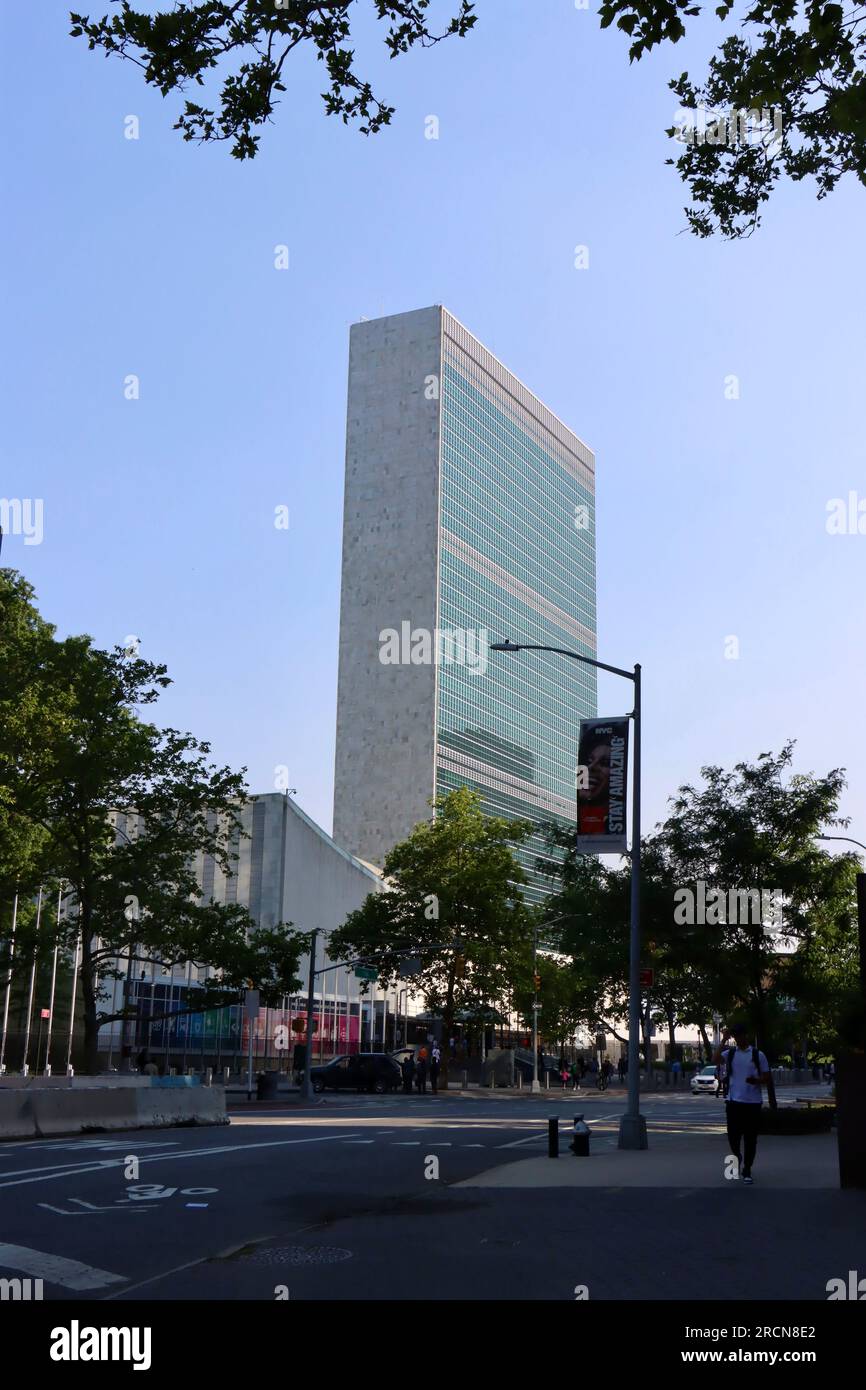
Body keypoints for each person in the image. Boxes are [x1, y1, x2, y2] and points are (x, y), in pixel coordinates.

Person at [715, 1023, 770, 1185]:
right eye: (735, 1035)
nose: (738, 1038)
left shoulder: (757, 1055)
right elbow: (715, 1059)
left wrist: (756, 1080)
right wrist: (723, 1040)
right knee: (733, 1136)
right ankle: (737, 1156)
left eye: (740, 1035)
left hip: (752, 1103)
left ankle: (747, 1169)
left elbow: (767, 1077)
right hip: (733, 1102)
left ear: (746, 1035)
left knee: (750, 1138)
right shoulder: (730, 1053)